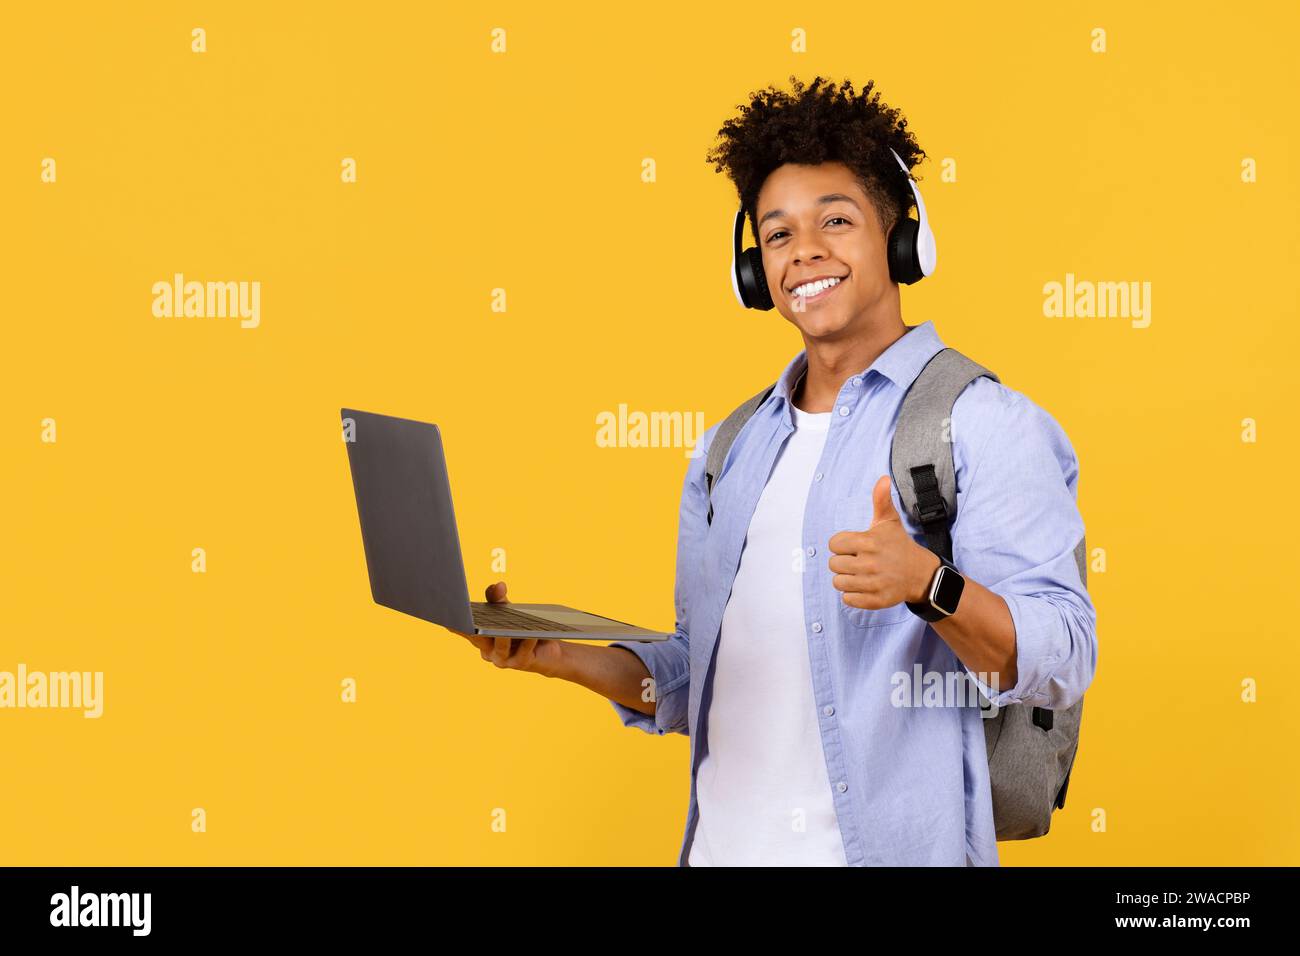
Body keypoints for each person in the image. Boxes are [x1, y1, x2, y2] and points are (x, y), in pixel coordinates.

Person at [453, 75, 1097, 867]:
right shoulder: (730, 451)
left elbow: (1063, 655)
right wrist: (561, 653)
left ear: (903, 239)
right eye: (779, 233)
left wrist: (930, 585)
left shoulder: (983, 424)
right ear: (754, 269)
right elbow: (697, 683)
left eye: (836, 220)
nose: (806, 252)